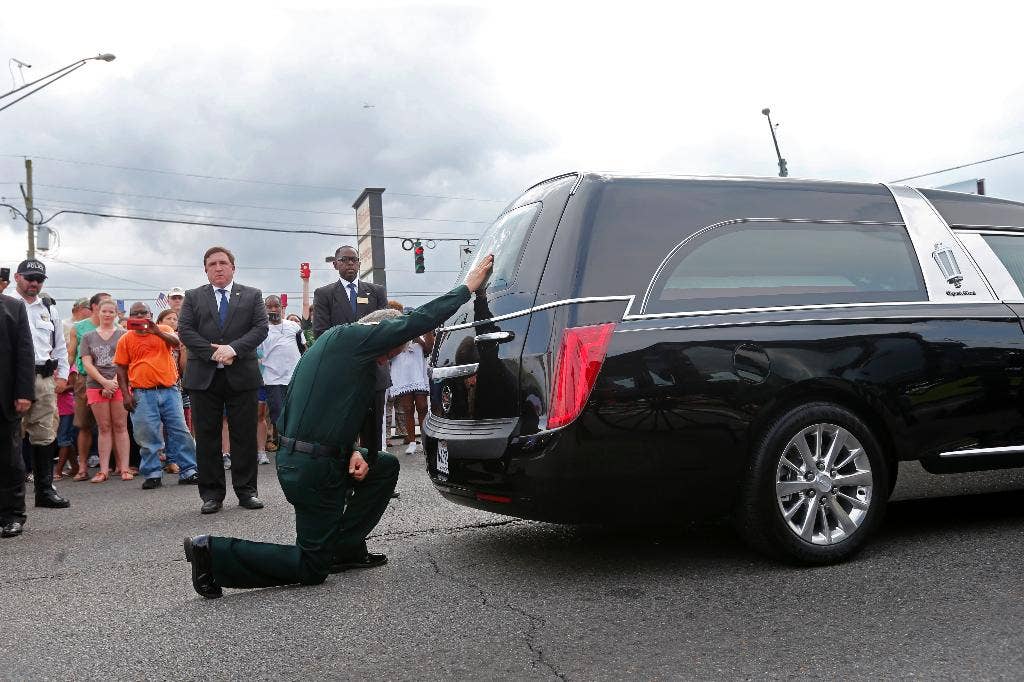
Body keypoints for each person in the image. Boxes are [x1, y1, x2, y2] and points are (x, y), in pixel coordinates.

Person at [183, 254, 494, 598]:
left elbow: (330, 412)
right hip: (313, 471)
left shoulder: (334, 344)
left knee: (383, 465)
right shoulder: (357, 341)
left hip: (309, 460)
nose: (385, 360)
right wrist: (466, 289)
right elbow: (416, 321)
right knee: (312, 566)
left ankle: (345, 549)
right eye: (389, 353)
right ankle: (212, 553)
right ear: (380, 334)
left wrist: (350, 453)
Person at [178, 246, 269, 514]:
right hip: (203, 376)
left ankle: (246, 491)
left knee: (244, 435)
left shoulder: (252, 295)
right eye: (212, 264)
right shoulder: (193, 297)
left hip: (241, 374)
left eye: (223, 263)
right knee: (207, 437)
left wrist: (234, 349)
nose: (218, 268)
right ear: (205, 270)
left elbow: (261, 328)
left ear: (232, 267)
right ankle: (211, 495)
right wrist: (215, 352)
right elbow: (185, 330)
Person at [4, 260, 71, 509]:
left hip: (43, 379)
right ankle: (12, 496)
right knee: (11, 437)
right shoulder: (8, 304)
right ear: (17, 278)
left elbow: (59, 345)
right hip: (12, 380)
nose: (34, 283)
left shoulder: (48, 307)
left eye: (39, 279)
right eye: (30, 278)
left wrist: (63, 374)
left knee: (44, 435)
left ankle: (44, 490)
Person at [114, 302, 199, 490]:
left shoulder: (164, 328)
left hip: (169, 390)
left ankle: (190, 470)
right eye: (135, 314)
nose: (139, 316)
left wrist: (156, 331)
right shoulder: (126, 339)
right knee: (146, 434)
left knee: (180, 431)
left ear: (151, 314)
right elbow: (120, 368)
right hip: (142, 393)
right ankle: (152, 473)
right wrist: (126, 396)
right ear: (130, 317)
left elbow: (176, 343)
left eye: (143, 313)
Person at [313, 245, 389, 452]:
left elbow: (386, 329)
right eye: (345, 260)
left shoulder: (376, 292)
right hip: (341, 373)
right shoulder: (324, 294)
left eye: (354, 260)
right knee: (341, 434)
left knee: (373, 435)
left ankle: (373, 477)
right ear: (335, 264)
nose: (350, 264)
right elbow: (321, 333)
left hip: (373, 372)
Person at [80, 300, 130, 482]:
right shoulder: (88, 336)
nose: (108, 315)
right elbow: (86, 362)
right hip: (95, 385)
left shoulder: (124, 335)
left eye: (111, 312)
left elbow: (126, 362)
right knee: (104, 427)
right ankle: (103, 470)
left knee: (120, 425)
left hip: (120, 384)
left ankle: (124, 468)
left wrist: (114, 383)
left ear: (116, 314)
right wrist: (104, 382)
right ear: (98, 312)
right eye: (104, 311)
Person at [0, 293, 35, 537]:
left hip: (5, 396)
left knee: (9, 459)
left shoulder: (13, 307)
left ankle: (12, 515)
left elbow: (25, 352)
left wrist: (24, 393)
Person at [67, 292, 112, 475]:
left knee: (112, 424)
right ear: (94, 307)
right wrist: (65, 374)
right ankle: (83, 466)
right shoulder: (78, 328)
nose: (108, 309)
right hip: (85, 379)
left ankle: (116, 466)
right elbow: (70, 354)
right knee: (84, 424)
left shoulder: (116, 327)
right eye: (104, 305)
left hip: (111, 379)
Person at [257, 294, 302, 463]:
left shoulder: (294, 326)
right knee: (279, 417)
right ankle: (285, 451)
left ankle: (295, 449)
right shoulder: (261, 329)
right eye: (269, 307)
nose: (273, 310)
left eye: (276, 306)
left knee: (296, 414)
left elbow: (303, 348)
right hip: (272, 380)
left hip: (295, 378)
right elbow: (258, 356)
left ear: (282, 308)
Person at [389, 309, 433, 456]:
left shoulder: (422, 331)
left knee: (423, 407)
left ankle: (426, 441)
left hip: (418, 375)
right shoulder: (398, 333)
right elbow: (390, 354)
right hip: (403, 375)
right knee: (407, 409)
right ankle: (412, 442)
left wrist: (418, 339)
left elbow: (429, 349)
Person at [157, 308, 191, 436]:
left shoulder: (181, 340)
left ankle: (178, 453)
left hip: (176, 386)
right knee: (157, 424)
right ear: (159, 322)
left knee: (179, 425)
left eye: (175, 319)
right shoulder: (153, 337)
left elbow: (184, 369)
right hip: (156, 385)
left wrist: (183, 350)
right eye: (168, 319)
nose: (172, 321)